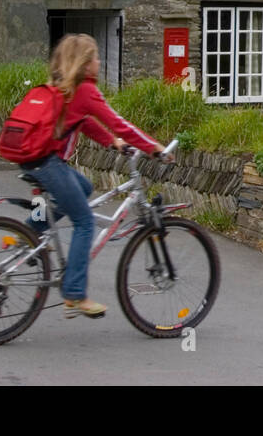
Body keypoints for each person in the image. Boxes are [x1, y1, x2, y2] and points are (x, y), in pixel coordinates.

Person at [24, 33, 163, 318]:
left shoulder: (62, 87)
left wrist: (111, 142)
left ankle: (28, 232)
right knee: (85, 221)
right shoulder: (85, 90)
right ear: (86, 64)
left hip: (32, 159)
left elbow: (84, 122)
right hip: (49, 163)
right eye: (97, 57)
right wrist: (153, 147)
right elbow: (119, 123)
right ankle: (75, 295)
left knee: (84, 187)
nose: (100, 62)